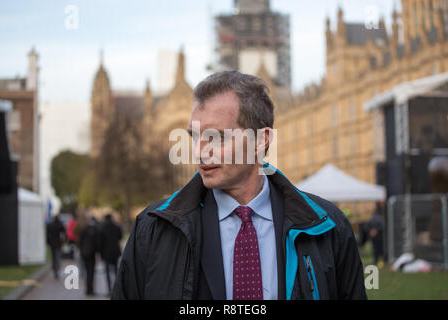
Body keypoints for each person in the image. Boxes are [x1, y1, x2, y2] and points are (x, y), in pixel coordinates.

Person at [111, 70, 367, 300]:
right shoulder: (153, 230)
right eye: (195, 137)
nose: (199, 152)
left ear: (261, 140)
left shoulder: (328, 228)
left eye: (216, 137)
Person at [99, 213, 122, 295]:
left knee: (108, 272)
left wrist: (101, 255)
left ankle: (109, 290)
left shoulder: (103, 228)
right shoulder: (116, 227)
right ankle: (117, 289)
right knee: (116, 271)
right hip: (115, 252)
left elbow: (101, 243)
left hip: (106, 253)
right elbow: (120, 237)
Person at [79, 216, 100, 296]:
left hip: (84, 253)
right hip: (92, 254)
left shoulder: (84, 229)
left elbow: (80, 241)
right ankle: (90, 290)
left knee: (87, 271)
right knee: (91, 272)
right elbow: (97, 243)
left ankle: (88, 289)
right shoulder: (95, 230)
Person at [46, 215, 65, 279]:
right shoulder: (60, 224)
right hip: (58, 244)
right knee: (57, 256)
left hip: (52, 244)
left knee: (54, 256)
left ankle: (55, 268)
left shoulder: (50, 225)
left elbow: (48, 234)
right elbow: (63, 234)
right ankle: (56, 268)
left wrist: (48, 242)